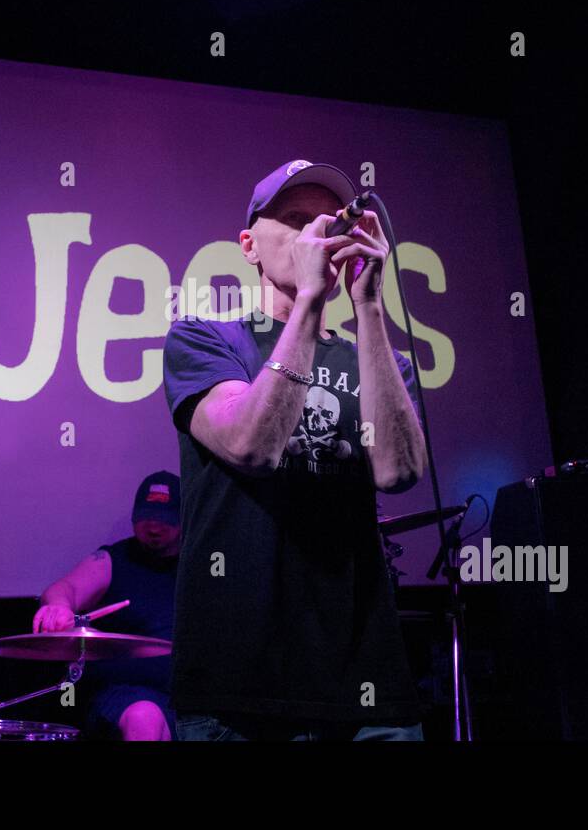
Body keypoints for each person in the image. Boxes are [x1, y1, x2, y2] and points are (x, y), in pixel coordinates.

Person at [161, 158, 427, 741]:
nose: (318, 231)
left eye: (328, 219)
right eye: (295, 218)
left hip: (364, 681)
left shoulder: (383, 359)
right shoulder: (204, 338)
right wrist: (309, 300)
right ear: (250, 244)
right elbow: (252, 445)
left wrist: (370, 307)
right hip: (241, 688)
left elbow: (399, 472)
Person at [33, 470, 181, 741]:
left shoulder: (199, 565)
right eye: (147, 517)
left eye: (165, 520)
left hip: (191, 697)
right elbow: (66, 588)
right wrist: (59, 606)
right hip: (127, 695)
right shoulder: (113, 560)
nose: (154, 528)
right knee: (144, 718)